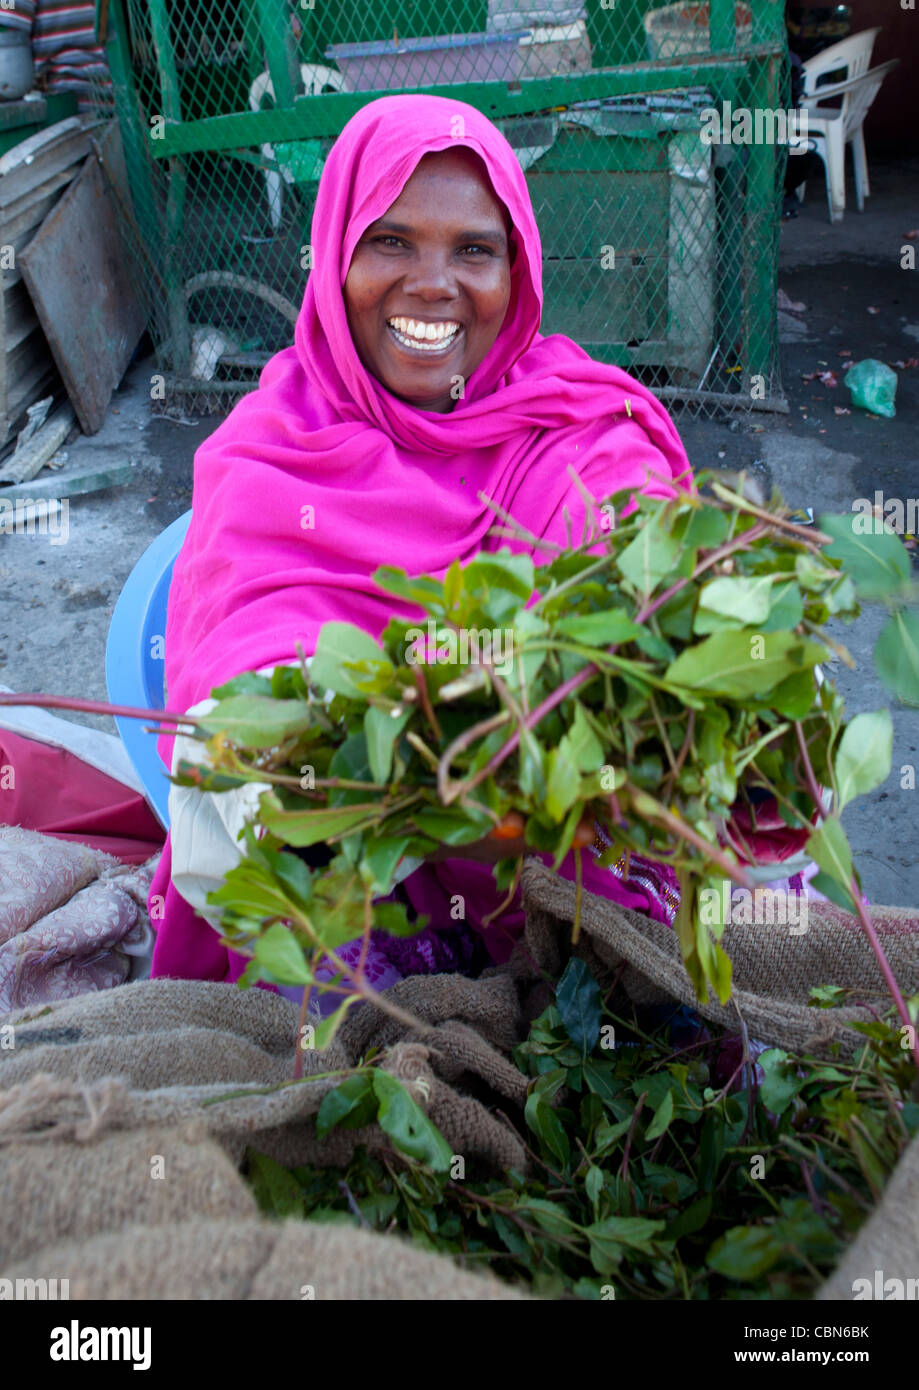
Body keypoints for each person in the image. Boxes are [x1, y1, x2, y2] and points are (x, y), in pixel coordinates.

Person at [148, 93, 700, 997]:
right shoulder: (266, 454)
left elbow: (626, 534)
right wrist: (341, 765)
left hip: (550, 877)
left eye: (474, 250)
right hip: (360, 890)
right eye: (391, 242)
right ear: (335, 255)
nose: (433, 284)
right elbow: (246, 667)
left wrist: (685, 622)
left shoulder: (569, 417)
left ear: (515, 271)